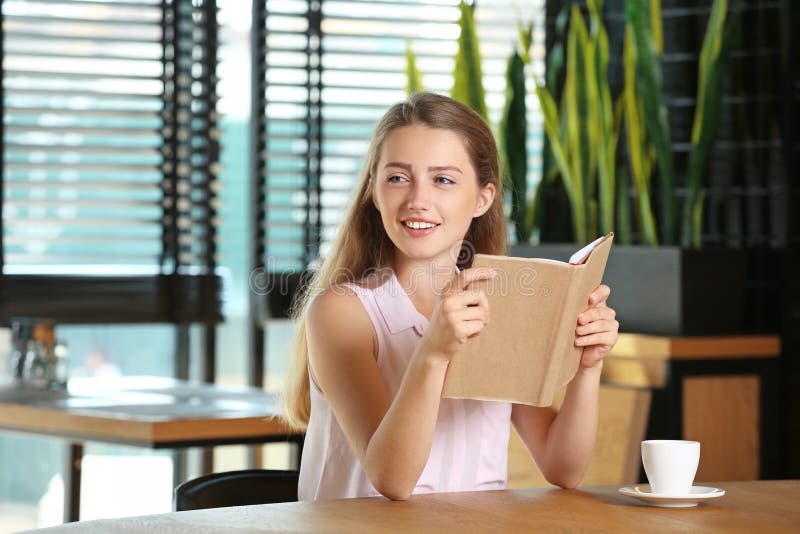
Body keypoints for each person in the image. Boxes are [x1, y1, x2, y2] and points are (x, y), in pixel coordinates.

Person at [283, 92, 619, 501]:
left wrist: (588, 367)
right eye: (397, 177)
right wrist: (435, 352)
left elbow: (563, 467)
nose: (418, 200)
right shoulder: (342, 313)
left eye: (442, 180)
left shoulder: (500, 305)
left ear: (484, 198)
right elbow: (391, 478)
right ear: (373, 190)